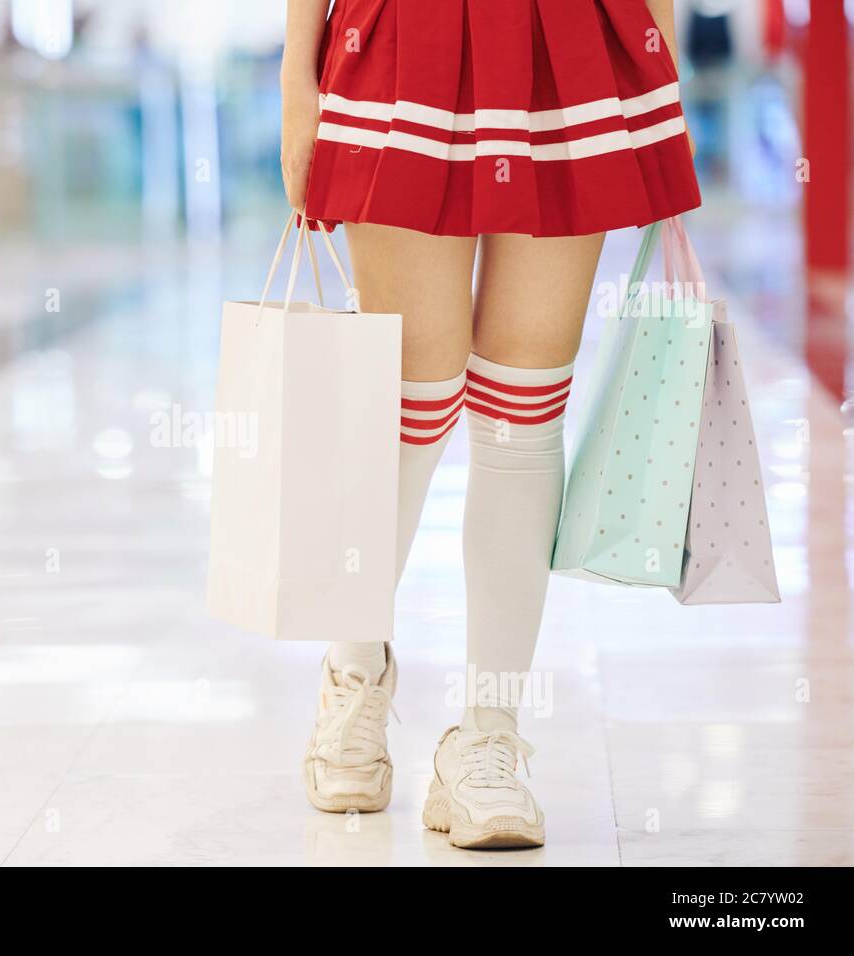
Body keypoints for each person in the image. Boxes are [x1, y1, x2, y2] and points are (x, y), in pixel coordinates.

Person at [281, 0, 699, 849]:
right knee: (412, 399)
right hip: (400, 37)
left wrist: (654, 54)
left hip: (573, 40)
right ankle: (354, 671)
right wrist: (298, 75)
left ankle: (489, 738)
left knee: (523, 410)